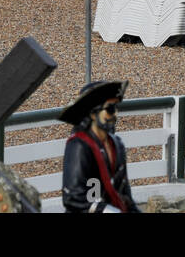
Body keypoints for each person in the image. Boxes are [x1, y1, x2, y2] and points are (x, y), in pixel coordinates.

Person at [59, 80, 141, 213]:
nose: (115, 114)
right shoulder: (79, 146)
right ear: (92, 114)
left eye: (116, 108)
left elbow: (124, 194)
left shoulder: (117, 145)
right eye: (110, 109)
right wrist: (105, 210)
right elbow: (72, 197)